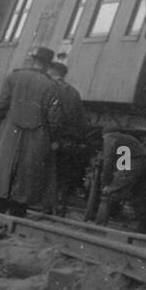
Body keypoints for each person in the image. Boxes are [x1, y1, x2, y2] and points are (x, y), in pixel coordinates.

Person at [0, 46, 60, 217]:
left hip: (9, 131)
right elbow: (53, 118)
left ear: (33, 61)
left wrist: (2, 126)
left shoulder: (13, 77)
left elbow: (0, 107)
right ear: (47, 66)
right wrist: (52, 138)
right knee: (26, 178)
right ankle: (17, 214)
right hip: (37, 136)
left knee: (0, 173)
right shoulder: (52, 86)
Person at [45, 60, 88, 214]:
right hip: (69, 141)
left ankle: (46, 206)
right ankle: (58, 205)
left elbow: (52, 117)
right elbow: (81, 120)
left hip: (52, 138)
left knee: (47, 171)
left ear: (51, 71)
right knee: (63, 175)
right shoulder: (73, 92)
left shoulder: (51, 87)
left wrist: (53, 139)